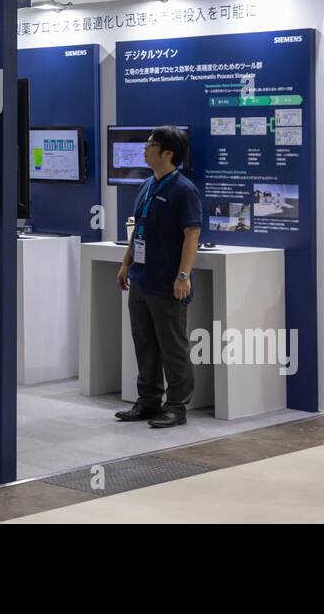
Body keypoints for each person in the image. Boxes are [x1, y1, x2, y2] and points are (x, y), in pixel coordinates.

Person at [114, 126, 202, 429]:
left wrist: (183, 275)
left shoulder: (184, 190)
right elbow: (138, 229)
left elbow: (192, 235)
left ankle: (177, 406)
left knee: (172, 346)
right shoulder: (148, 185)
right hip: (140, 278)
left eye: (150, 144)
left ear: (167, 153)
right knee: (145, 342)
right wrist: (125, 264)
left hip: (167, 282)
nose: (145, 149)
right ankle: (148, 400)